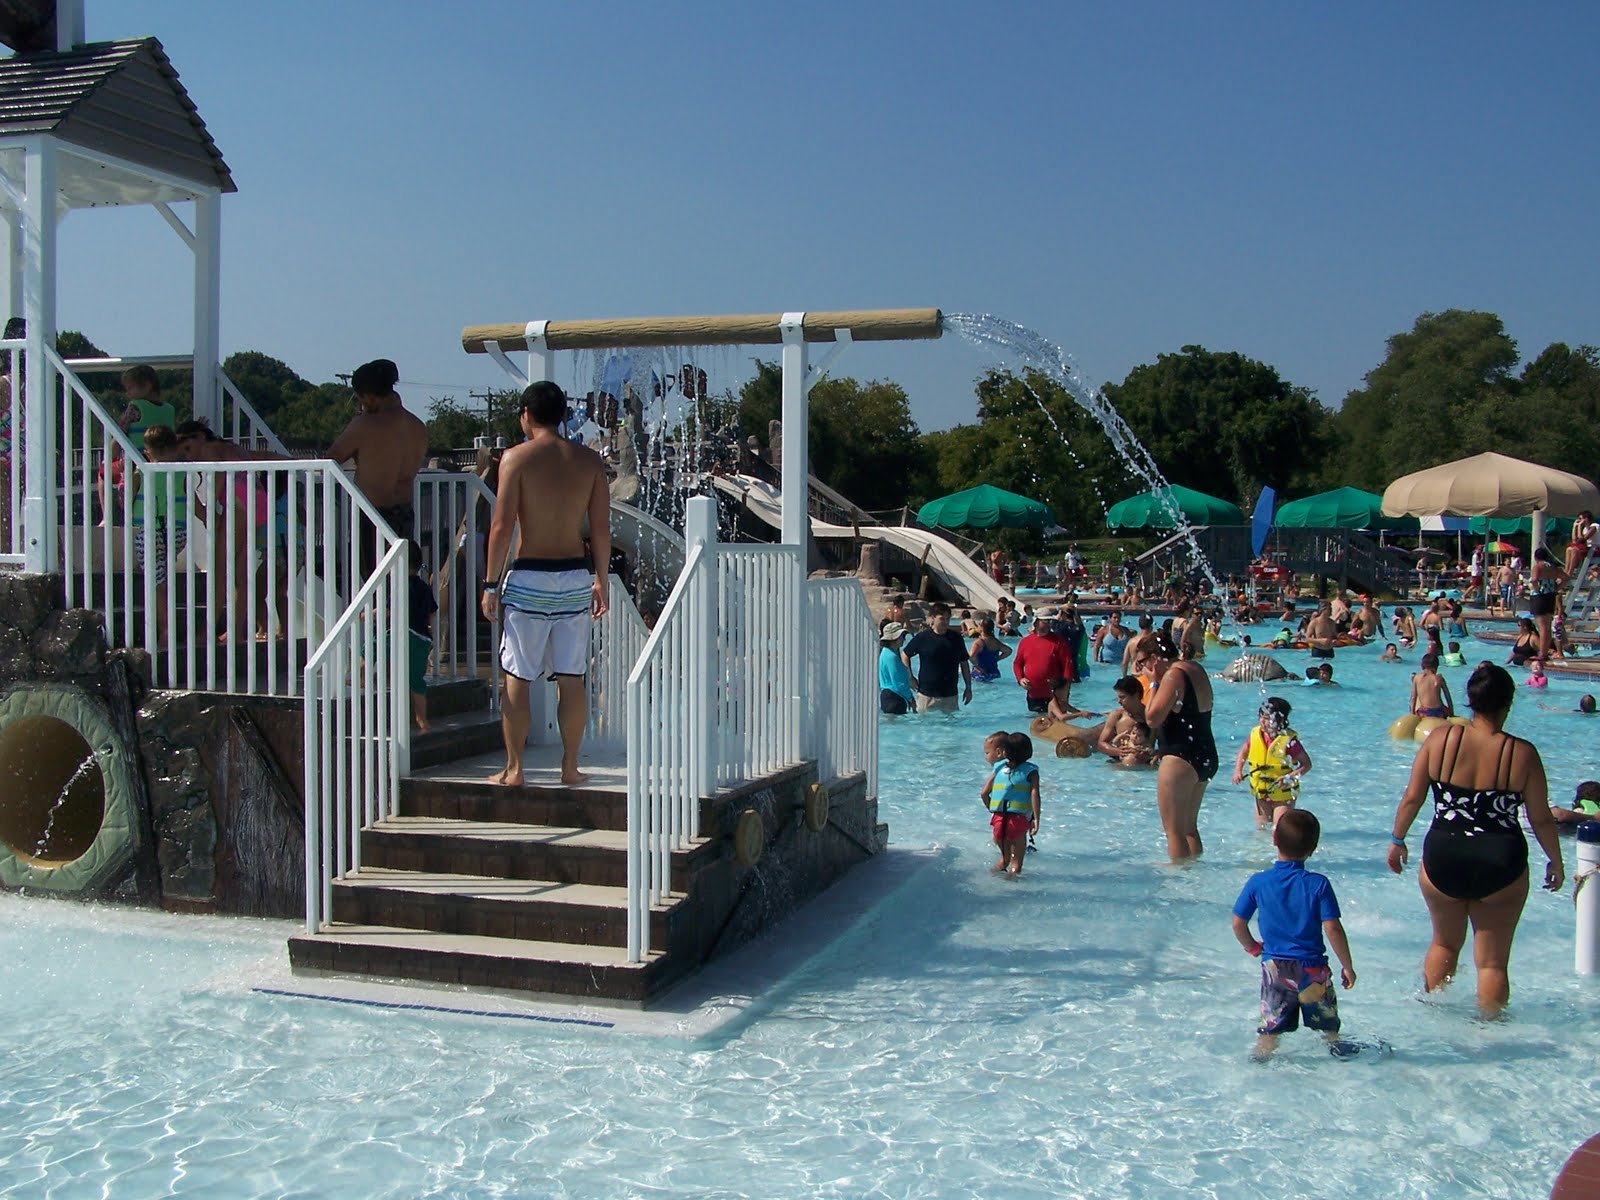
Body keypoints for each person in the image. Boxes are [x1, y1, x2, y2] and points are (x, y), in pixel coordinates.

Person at [1386, 662, 1565, 1017]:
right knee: (1493, 965)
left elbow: (1412, 797)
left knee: (1444, 943)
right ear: (1508, 704)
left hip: (1444, 853)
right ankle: (1490, 1034)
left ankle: (1434, 1019)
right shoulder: (1522, 754)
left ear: (1469, 700)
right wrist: (1556, 861)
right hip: (1501, 858)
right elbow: (1540, 817)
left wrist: (1397, 839)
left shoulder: (1440, 740)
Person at [481, 381, 611, 787]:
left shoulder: (516, 458)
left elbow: (501, 527)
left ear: (525, 415)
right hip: (574, 575)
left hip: (529, 576)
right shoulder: (589, 461)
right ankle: (570, 767)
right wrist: (601, 580)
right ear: (564, 415)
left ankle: (515, 768)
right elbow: (602, 529)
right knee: (572, 678)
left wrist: (489, 584)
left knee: (517, 677)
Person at [1231, 809, 1357, 1060]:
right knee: (1329, 1027)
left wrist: (1253, 948)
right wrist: (1347, 965)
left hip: (1275, 967)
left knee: (1270, 1031)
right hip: (1313, 968)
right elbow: (1332, 928)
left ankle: (1259, 1063)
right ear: (1313, 848)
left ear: (1274, 839)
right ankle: (1339, 1053)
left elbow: (1237, 923)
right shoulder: (1318, 884)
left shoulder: (1259, 882)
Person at [327, 358, 429, 578]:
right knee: (403, 582)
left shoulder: (365, 425)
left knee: (375, 587)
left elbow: (331, 459)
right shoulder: (417, 426)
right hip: (405, 514)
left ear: (369, 396)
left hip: (374, 517)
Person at [1137, 633, 1216, 861]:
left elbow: (1152, 718)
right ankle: (1194, 877)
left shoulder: (1172, 675)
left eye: (1142, 663)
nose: (1141, 668)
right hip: (1205, 753)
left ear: (1155, 658)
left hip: (1180, 756)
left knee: (1174, 832)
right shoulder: (1194, 668)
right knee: (1189, 828)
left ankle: (1177, 885)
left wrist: (1153, 682)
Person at [99, 364, 176, 525]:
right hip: (161, 460)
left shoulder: (135, 407)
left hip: (135, 461)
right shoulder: (169, 409)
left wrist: (108, 458)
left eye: (130, 388)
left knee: (102, 473)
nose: (128, 393)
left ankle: (107, 516)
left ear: (147, 386)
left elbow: (120, 433)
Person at [133, 425, 188, 644]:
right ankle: (167, 625)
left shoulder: (143, 470)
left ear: (149, 451)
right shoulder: (183, 468)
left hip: (150, 531)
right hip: (177, 531)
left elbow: (128, 495)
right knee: (160, 574)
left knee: (155, 581)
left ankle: (166, 628)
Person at [1233, 697, 1313, 828]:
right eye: (1261, 717)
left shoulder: (1289, 741)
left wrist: (1289, 777)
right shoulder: (1255, 734)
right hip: (1261, 794)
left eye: (1267, 718)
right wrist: (1238, 770)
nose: (1262, 722)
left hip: (1283, 795)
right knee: (1261, 831)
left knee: (1279, 830)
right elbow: (1243, 752)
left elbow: (1307, 765)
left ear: (1281, 720)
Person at [980, 731, 1039, 877]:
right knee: (1016, 863)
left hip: (998, 819)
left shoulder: (999, 768)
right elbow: (1035, 794)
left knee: (1004, 859)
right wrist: (1036, 818)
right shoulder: (1031, 771)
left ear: (1005, 752)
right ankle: (1012, 890)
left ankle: (989, 881)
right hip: (1017, 821)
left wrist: (993, 809)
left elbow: (984, 793)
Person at [904, 602, 971, 713]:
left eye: (947, 619)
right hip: (926, 694)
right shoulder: (923, 637)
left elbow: (964, 664)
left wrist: (968, 687)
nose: (945, 622)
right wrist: (910, 677)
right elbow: (905, 654)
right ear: (933, 618)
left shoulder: (956, 638)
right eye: (942, 619)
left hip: (950, 694)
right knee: (924, 727)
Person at [1012, 608, 1069, 714]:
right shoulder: (1025, 642)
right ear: (1037, 622)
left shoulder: (1059, 641)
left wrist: (1065, 689)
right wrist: (1020, 679)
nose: (1049, 624)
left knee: (1056, 724)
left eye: (1050, 621)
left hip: (1054, 693)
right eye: (1046, 621)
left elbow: (1067, 664)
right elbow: (1017, 664)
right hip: (1033, 693)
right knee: (1037, 725)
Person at [407, 540, 438, 733]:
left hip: (405, 635)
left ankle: (360, 674)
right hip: (423, 638)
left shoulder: (398, 586)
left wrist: (369, 613)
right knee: (416, 679)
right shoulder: (424, 587)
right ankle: (422, 719)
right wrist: (431, 633)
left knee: (369, 647)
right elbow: (433, 612)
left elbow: (389, 610)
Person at [1096, 675, 1156, 766]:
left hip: (1146, 763)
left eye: (1122, 697)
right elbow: (1101, 744)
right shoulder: (1117, 716)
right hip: (1119, 762)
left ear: (1136, 696)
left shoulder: (1151, 717)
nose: (1119, 701)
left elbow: (1166, 745)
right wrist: (1119, 752)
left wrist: (1154, 754)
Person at [1527, 546, 1568, 664]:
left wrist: (1536, 589)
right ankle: (1544, 652)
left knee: (1542, 627)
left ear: (1536, 557)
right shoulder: (1553, 567)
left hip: (1539, 597)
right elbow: (1566, 578)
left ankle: (1542, 654)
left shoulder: (1538, 567)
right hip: (1550, 597)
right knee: (1547, 626)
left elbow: (1534, 580)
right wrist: (1556, 588)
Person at [878, 622, 915, 714]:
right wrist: (910, 698)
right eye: (902, 636)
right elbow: (898, 682)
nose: (904, 639)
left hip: (887, 696)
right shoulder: (891, 657)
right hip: (894, 698)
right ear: (893, 638)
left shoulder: (886, 653)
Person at [967, 617, 1011, 683]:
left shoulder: (978, 643)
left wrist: (977, 666)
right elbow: (1008, 651)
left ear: (982, 628)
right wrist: (997, 658)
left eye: (979, 625)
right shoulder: (996, 642)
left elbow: (971, 656)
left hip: (980, 674)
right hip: (994, 673)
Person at [1411, 653, 1454, 718]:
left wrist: (1412, 713)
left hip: (1425, 712)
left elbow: (1413, 697)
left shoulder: (1417, 678)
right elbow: (1448, 697)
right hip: (1439, 712)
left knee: (1419, 709)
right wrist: (1451, 713)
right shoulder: (1439, 678)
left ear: (1422, 666)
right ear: (1436, 666)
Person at [1566, 511, 1596, 578]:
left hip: (1594, 549)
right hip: (1588, 549)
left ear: (1586, 519)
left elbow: (1582, 539)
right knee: (1569, 549)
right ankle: (1566, 571)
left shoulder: (1594, 527)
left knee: (1574, 550)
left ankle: (1570, 572)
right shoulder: (1585, 529)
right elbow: (1574, 541)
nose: (1580, 521)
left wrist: (1579, 526)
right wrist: (1574, 527)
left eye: (1581, 519)